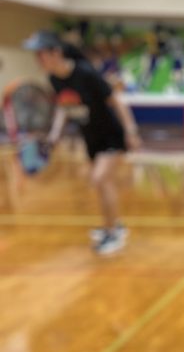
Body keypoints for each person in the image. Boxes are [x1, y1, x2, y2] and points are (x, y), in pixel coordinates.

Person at [22, 29, 140, 255]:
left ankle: (113, 234)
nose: (38, 60)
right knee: (102, 183)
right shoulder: (54, 78)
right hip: (91, 137)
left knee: (100, 179)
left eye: (41, 54)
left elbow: (116, 101)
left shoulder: (86, 73)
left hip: (111, 134)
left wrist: (131, 131)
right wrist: (55, 134)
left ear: (55, 52)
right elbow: (64, 106)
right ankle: (114, 224)